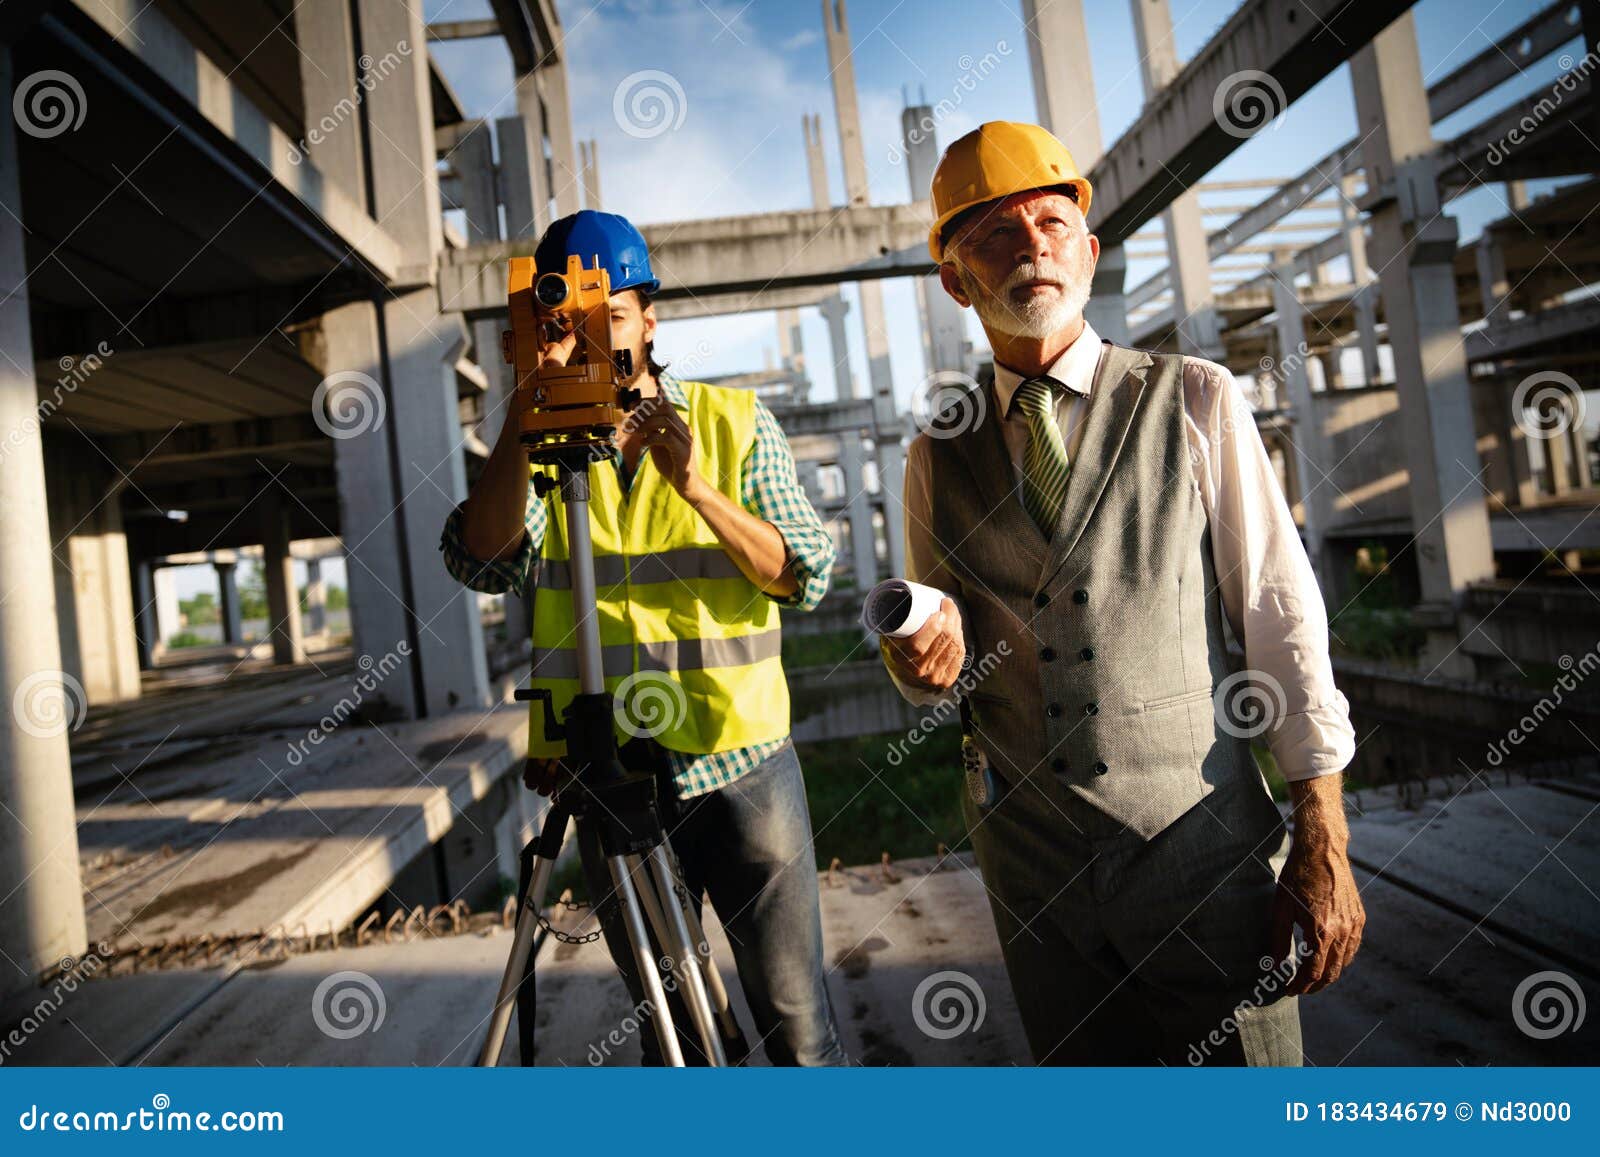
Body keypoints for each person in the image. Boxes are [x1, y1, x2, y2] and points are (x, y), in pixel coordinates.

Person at [879, 122, 1365, 1065]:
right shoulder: (935, 455)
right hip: (1036, 882)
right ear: (955, 280)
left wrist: (1323, 829)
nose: (1031, 247)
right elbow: (933, 659)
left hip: (1201, 856)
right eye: (995, 234)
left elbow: (1282, 618)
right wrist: (918, 664)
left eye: (1051, 224)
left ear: (1089, 252)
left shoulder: (1196, 398)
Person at [440, 210, 844, 1066]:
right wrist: (523, 408)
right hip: (608, 773)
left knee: (798, 1029)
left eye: (610, 317)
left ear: (649, 321)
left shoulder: (734, 422)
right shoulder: (536, 452)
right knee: (676, 1044)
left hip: (743, 765)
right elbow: (480, 562)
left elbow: (805, 573)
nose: (591, 339)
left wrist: (697, 486)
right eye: (564, 324)